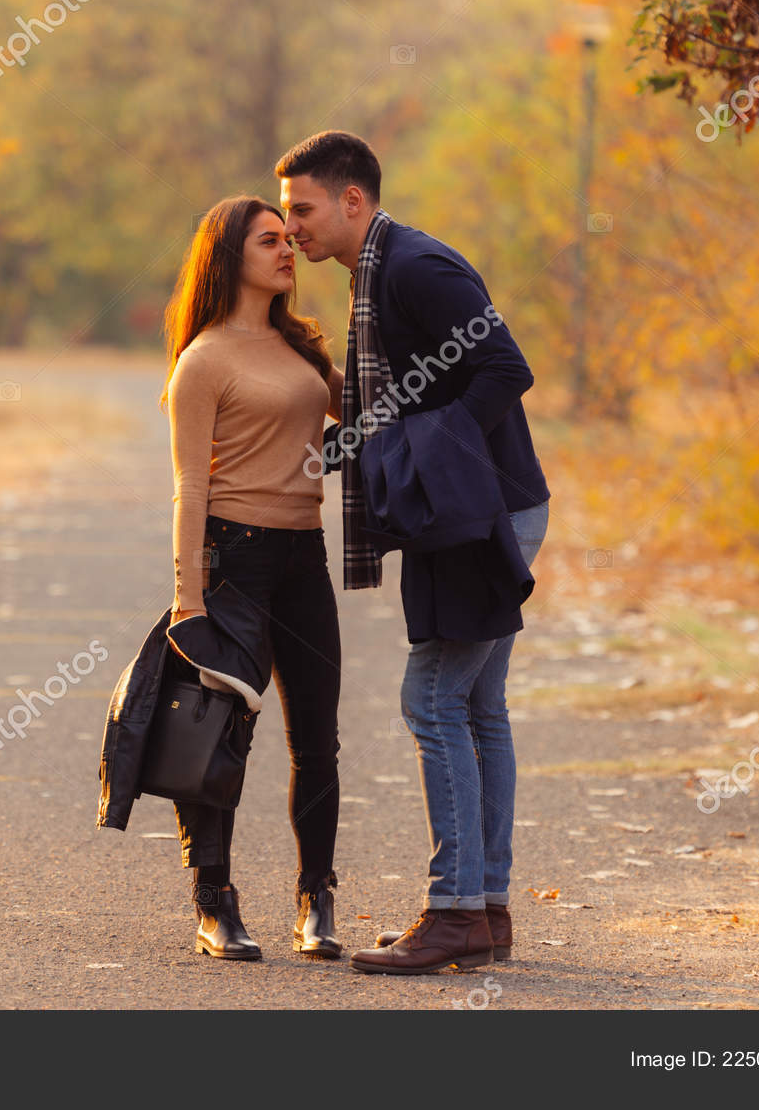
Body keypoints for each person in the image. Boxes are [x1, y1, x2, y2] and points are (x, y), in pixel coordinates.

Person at [276, 131, 550, 975]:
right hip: (471, 507)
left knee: (432, 700)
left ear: (352, 201)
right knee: (476, 708)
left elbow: (506, 368)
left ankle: (455, 910)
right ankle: (487, 910)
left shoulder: (413, 269)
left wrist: (433, 454)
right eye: (284, 215)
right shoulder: (377, 274)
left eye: (302, 209)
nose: (291, 229)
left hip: (477, 509)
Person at [160, 194, 347, 961]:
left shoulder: (302, 350)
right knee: (217, 735)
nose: (287, 249)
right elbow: (190, 489)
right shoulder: (202, 359)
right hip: (231, 558)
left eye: (288, 238)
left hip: (305, 555)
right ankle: (215, 902)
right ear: (229, 255)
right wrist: (187, 599)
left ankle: (317, 898)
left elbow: (363, 416)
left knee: (319, 740)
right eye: (269, 240)